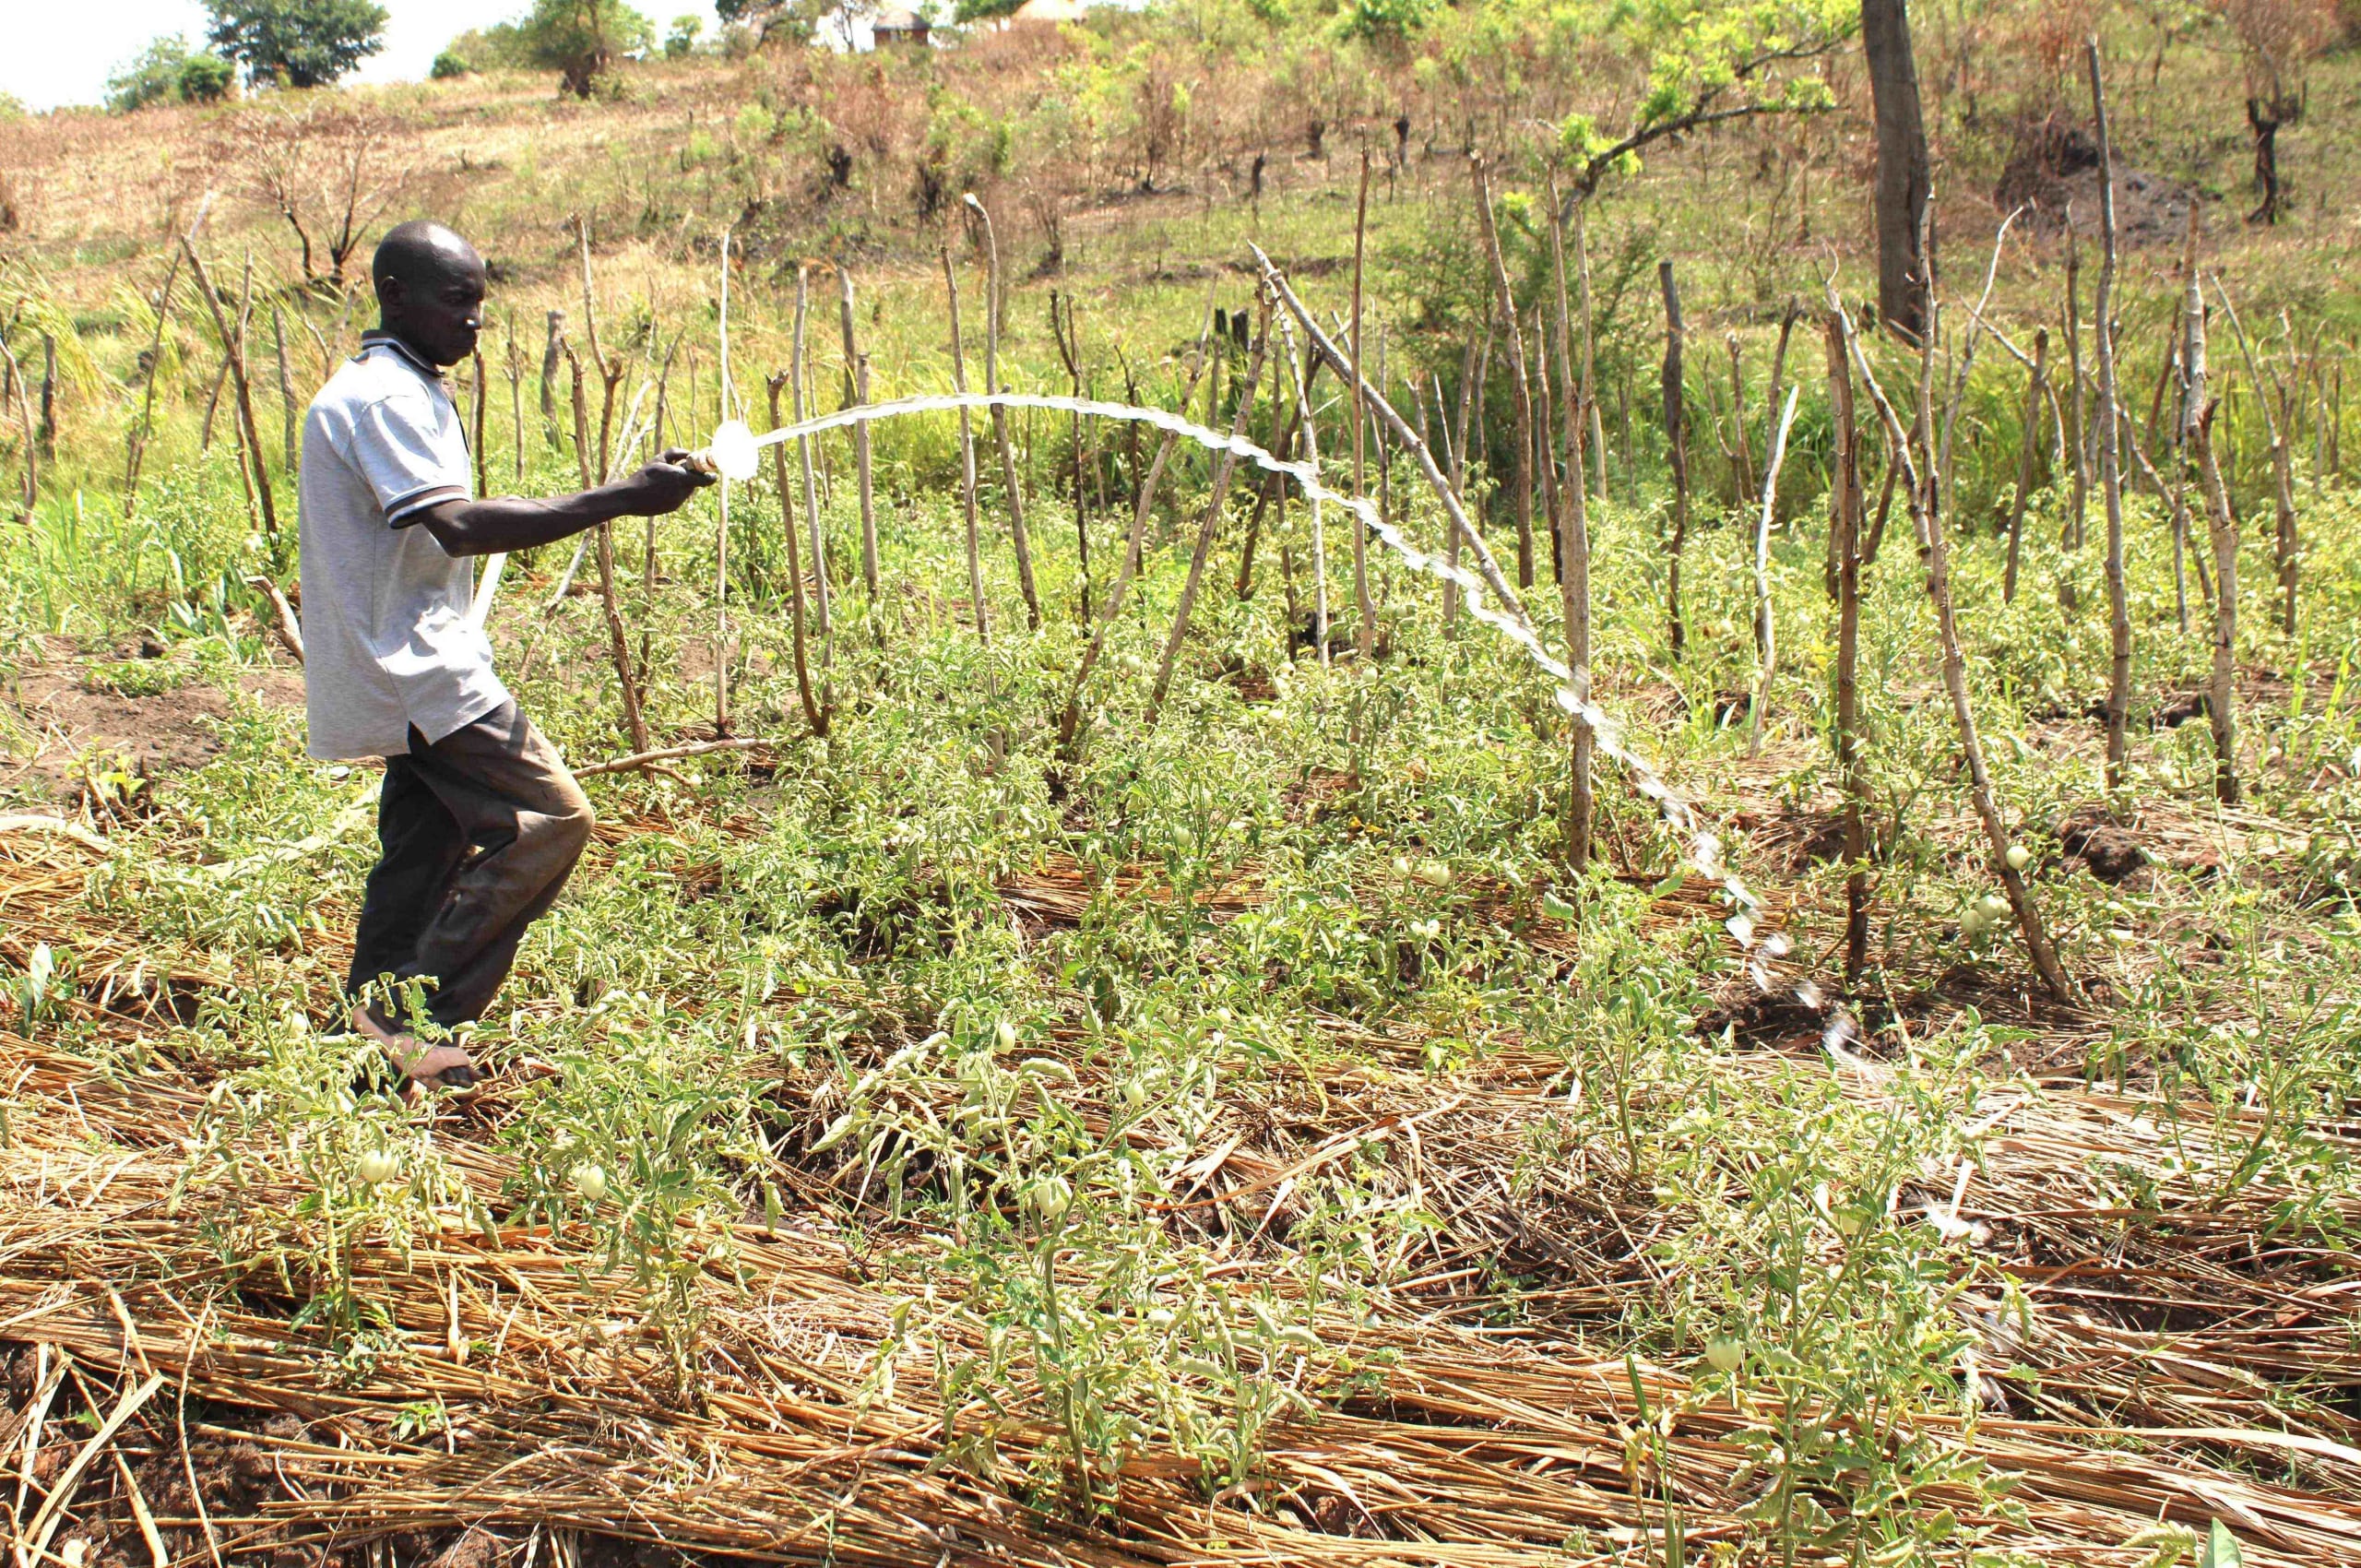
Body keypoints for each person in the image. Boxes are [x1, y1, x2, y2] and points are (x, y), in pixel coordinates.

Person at [300, 220, 714, 1095]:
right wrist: (622, 499)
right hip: (417, 669)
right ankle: (421, 1017)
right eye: (457, 301)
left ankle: (364, 1027)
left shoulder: (402, 386)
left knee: (428, 841)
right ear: (395, 296)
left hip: (397, 659)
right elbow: (456, 524)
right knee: (554, 820)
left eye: (481, 304)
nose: (474, 322)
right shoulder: (385, 399)